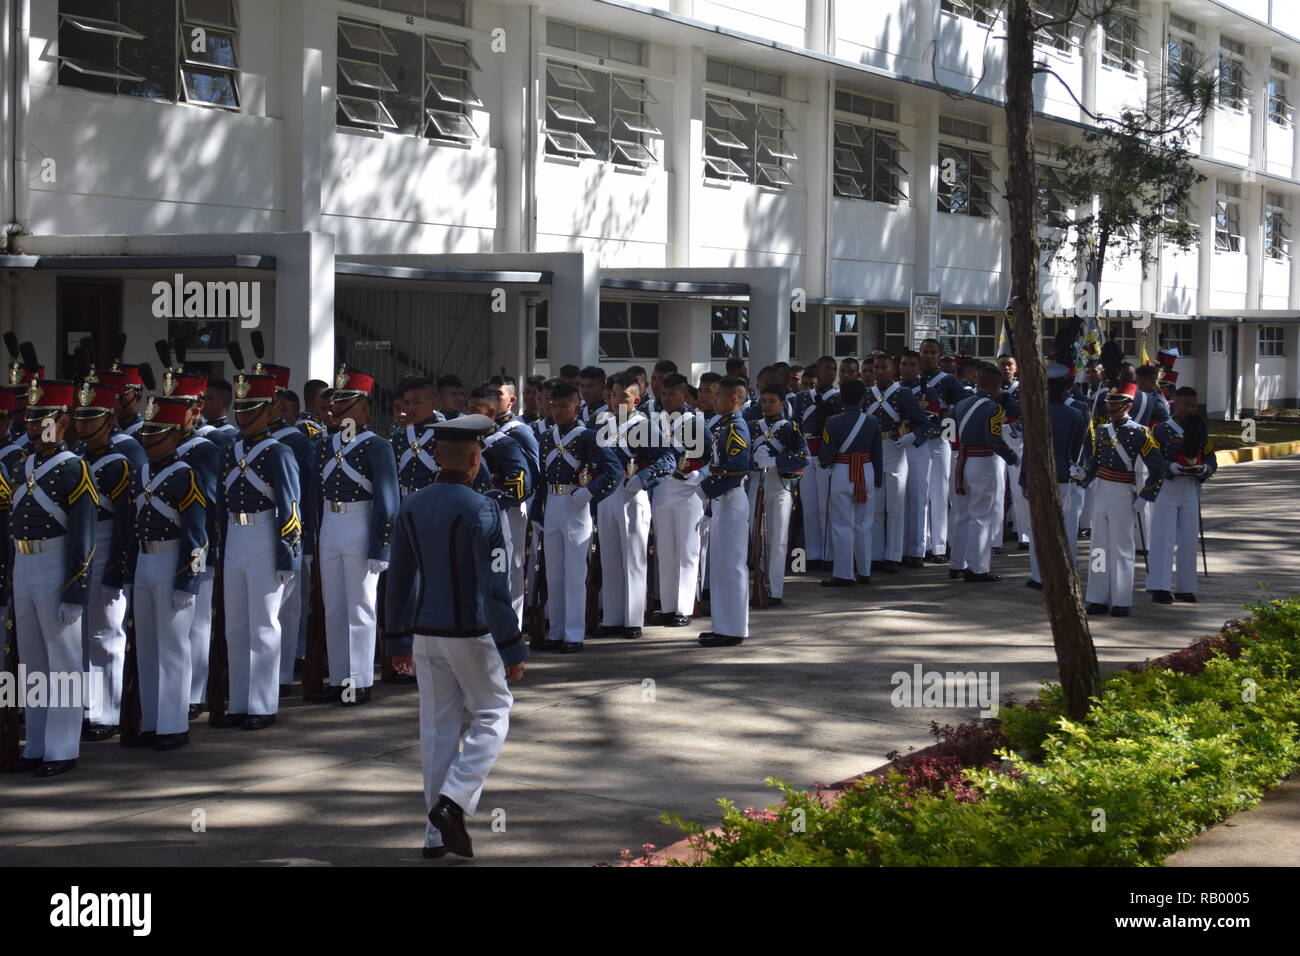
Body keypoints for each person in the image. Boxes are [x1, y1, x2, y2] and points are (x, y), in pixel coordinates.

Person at [383, 413, 527, 860]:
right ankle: (453, 800)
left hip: (425, 633)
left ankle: (434, 835)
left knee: (437, 731)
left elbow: (400, 579)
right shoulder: (481, 506)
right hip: (472, 631)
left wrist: (396, 639)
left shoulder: (413, 504)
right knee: (493, 712)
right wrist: (510, 643)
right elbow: (495, 583)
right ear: (473, 458)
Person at [3, 379, 97, 777]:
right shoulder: (23, 464)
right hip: (25, 566)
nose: (31, 426)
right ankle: (37, 743)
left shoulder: (75, 467)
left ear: (61, 423)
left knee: (63, 662)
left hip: (56, 563)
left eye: (41, 419)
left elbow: (84, 533)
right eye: (29, 418)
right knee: (33, 661)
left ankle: (61, 747)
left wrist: (76, 588)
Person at [218, 368, 302, 728]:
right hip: (236, 537)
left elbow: (290, 505)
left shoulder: (278, 451)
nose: (243, 413)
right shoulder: (230, 449)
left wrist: (288, 553)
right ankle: (239, 700)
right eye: (241, 406)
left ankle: (262, 704)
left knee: (264, 625)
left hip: (265, 536)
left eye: (252, 407)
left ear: (270, 410)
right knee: (235, 624)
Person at [128, 395, 209, 751]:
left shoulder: (184, 474)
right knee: (147, 646)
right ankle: (152, 721)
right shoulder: (143, 471)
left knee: (173, 646)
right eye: (147, 432)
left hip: (171, 560)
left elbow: (197, 533)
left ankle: (174, 724)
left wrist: (189, 579)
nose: (148, 439)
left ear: (175, 436)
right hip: (146, 561)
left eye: (157, 433)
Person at [315, 367, 399, 704]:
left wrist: (382, 546)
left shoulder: (376, 446)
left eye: (346, 404)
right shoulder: (324, 443)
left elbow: (388, 500)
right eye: (336, 403)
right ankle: (338, 679)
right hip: (330, 523)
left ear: (363, 410)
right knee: (333, 605)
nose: (336, 410)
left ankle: (359, 680)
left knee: (360, 606)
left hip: (361, 523)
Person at [534, 382, 620, 653]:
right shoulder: (546, 437)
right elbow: (540, 478)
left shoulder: (589, 436)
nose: (556, 410)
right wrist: (538, 512)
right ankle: (556, 631)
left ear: (576, 407)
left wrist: (591, 492)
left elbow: (614, 471)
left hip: (576, 504)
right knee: (555, 575)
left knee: (574, 574)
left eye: (562, 406)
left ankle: (573, 634)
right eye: (553, 405)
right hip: (552, 503)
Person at [73, 380, 134, 743]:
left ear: (110, 420)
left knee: (106, 632)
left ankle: (107, 711)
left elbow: (126, 521)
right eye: (79, 417)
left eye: (91, 416)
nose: (82, 424)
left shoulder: (118, 464)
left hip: (106, 542)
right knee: (78, 635)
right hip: (78, 549)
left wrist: (118, 565)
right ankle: (83, 706)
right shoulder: (75, 459)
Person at [593, 374, 674, 638]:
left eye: (623, 396)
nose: (617, 400)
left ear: (636, 400)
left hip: (631, 494)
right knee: (610, 558)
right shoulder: (604, 424)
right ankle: (613, 617)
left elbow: (667, 459)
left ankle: (633, 619)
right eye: (613, 395)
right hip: (607, 495)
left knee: (633, 559)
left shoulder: (644, 426)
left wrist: (643, 478)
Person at [1082, 381, 1166, 617]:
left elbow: (1158, 468)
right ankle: (1097, 597)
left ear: (1127, 406)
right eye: (1109, 403)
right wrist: (1082, 476)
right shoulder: (1101, 430)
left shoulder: (1140, 433)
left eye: (1115, 403)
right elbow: (1095, 462)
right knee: (1098, 547)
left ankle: (1121, 599)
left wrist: (1146, 496)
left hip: (1122, 492)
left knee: (1121, 548)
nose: (1110, 407)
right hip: (1102, 490)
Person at [948, 364, 1018, 584]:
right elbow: (994, 439)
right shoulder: (993, 408)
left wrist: (959, 447)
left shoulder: (960, 404)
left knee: (961, 514)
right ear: (997, 386)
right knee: (981, 515)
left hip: (962, 460)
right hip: (983, 462)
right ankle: (978, 568)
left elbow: (946, 429)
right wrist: (1013, 458)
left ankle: (957, 564)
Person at [1024, 364, 1091, 590]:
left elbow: (1029, 451)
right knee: (1068, 529)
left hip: (1040, 478)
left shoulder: (1035, 415)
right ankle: (1066, 574)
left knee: (1039, 529)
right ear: (1066, 387)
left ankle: (1038, 575)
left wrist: (1025, 479)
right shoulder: (1077, 414)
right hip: (1066, 477)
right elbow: (1078, 451)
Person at [1147, 387, 1215, 605]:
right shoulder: (1161, 430)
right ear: (1175, 403)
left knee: (1188, 539)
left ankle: (1186, 588)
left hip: (1190, 487)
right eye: (1186, 404)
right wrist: (1170, 467)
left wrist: (1204, 469)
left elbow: (1211, 458)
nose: (1191, 409)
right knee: (1163, 538)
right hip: (1167, 486)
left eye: (1194, 405)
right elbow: (1152, 458)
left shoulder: (1200, 429)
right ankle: (1160, 586)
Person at [651, 375, 708, 628]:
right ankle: (667, 606)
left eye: (672, 394)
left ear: (685, 396)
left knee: (687, 551)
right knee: (665, 551)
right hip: (663, 489)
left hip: (688, 492)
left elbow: (712, 458)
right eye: (664, 393)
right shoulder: (653, 424)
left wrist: (698, 475)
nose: (666, 398)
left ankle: (684, 607)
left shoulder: (697, 423)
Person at [698, 377, 751, 648]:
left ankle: (734, 628)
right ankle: (722, 625)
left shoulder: (736, 427)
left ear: (733, 399)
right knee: (719, 566)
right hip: (721, 500)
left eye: (718, 395)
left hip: (731, 497)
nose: (713, 399)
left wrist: (705, 487)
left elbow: (737, 467)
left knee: (731, 565)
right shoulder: (723, 425)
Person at [867, 354, 930, 573]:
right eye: (876, 367)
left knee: (895, 506)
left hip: (895, 449)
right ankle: (875, 554)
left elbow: (924, 423)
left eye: (884, 367)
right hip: (873, 451)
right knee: (874, 505)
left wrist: (910, 438)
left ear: (893, 371)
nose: (879, 371)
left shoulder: (902, 394)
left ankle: (893, 556)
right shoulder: (867, 394)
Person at [817, 378, 883, 588]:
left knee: (841, 524)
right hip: (866, 470)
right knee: (864, 524)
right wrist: (878, 479)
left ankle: (844, 574)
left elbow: (826, 454)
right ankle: (864, 571)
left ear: (841, 398)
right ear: (864, 399)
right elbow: (877, 454)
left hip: (842, 471)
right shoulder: (872, 422)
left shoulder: (831, 422)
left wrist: (825, 463)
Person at [748, 384, 808, 606]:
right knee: (757, 537)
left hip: (780, 484)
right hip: (757, 482)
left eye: (772, 401)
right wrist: (754, 460)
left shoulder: (790, 428)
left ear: (783, 403)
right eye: (764, 401)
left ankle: (775, 590)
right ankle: (759, 583)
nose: (767, 405)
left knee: (778, 539)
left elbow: (803, 456)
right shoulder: (753, 427)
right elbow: (743, 455)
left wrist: (776, 462)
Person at [791, 357, 841, 570]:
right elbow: (795, 426)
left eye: (833, 369)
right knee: (809, 506)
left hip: (825, 454)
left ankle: (828, 554)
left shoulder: (838, 398)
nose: (830, 373)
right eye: (825, 368)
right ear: (817, 370)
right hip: (806, 453)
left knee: (825, 508)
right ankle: (812, 552)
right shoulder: (802, 397)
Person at [199, 378, 239, 447]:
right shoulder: (195, 430)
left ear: (225, 403)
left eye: (209, 399)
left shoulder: (233, 436)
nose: (203, 402)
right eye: (202, 398)